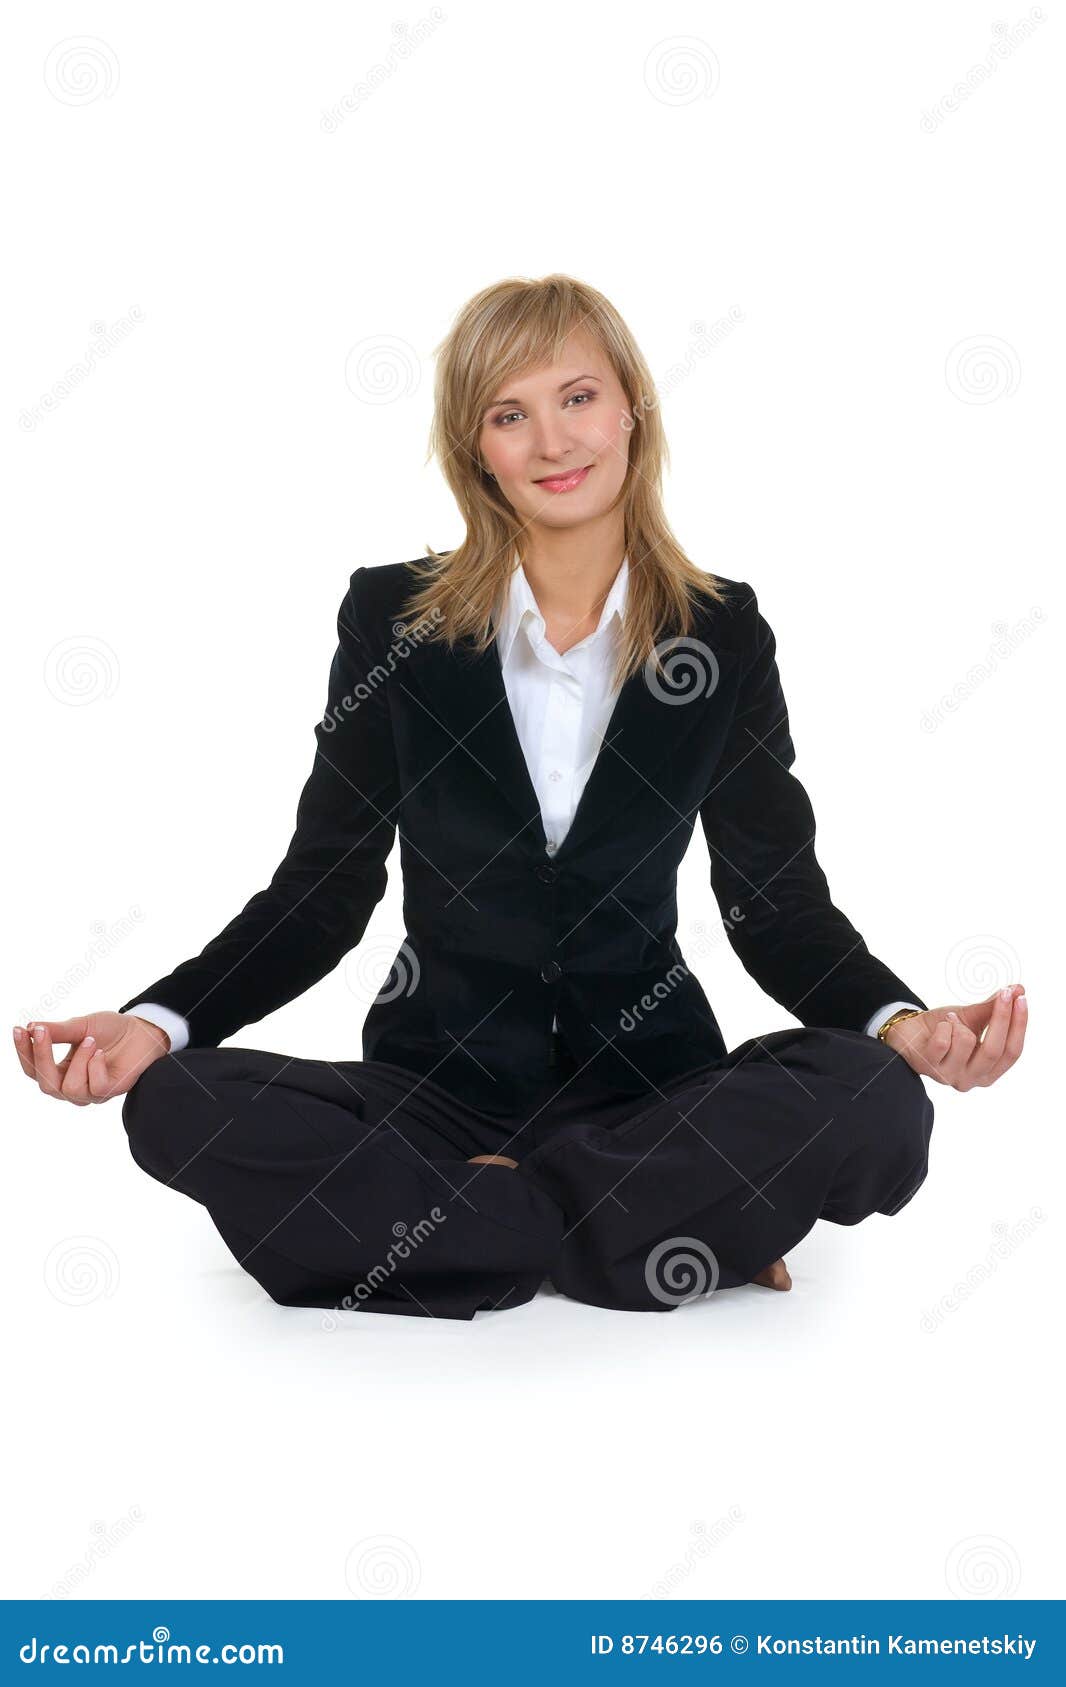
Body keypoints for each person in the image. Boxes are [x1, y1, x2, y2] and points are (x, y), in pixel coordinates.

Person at [14, 274, 1028, 1319]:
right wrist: (156, 1022)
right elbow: (322, 889)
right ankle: (639, 1236)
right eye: (510, 414)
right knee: (180, 1104)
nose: (553, 440)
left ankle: (466, 1233)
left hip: (653, 1100)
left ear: (632, 406)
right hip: (433, 1099)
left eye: (577, 397)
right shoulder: (392, 620)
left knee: (874, 1098)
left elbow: (775, 905)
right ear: (476, 451)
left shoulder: (719, 635)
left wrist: (898, 1021)